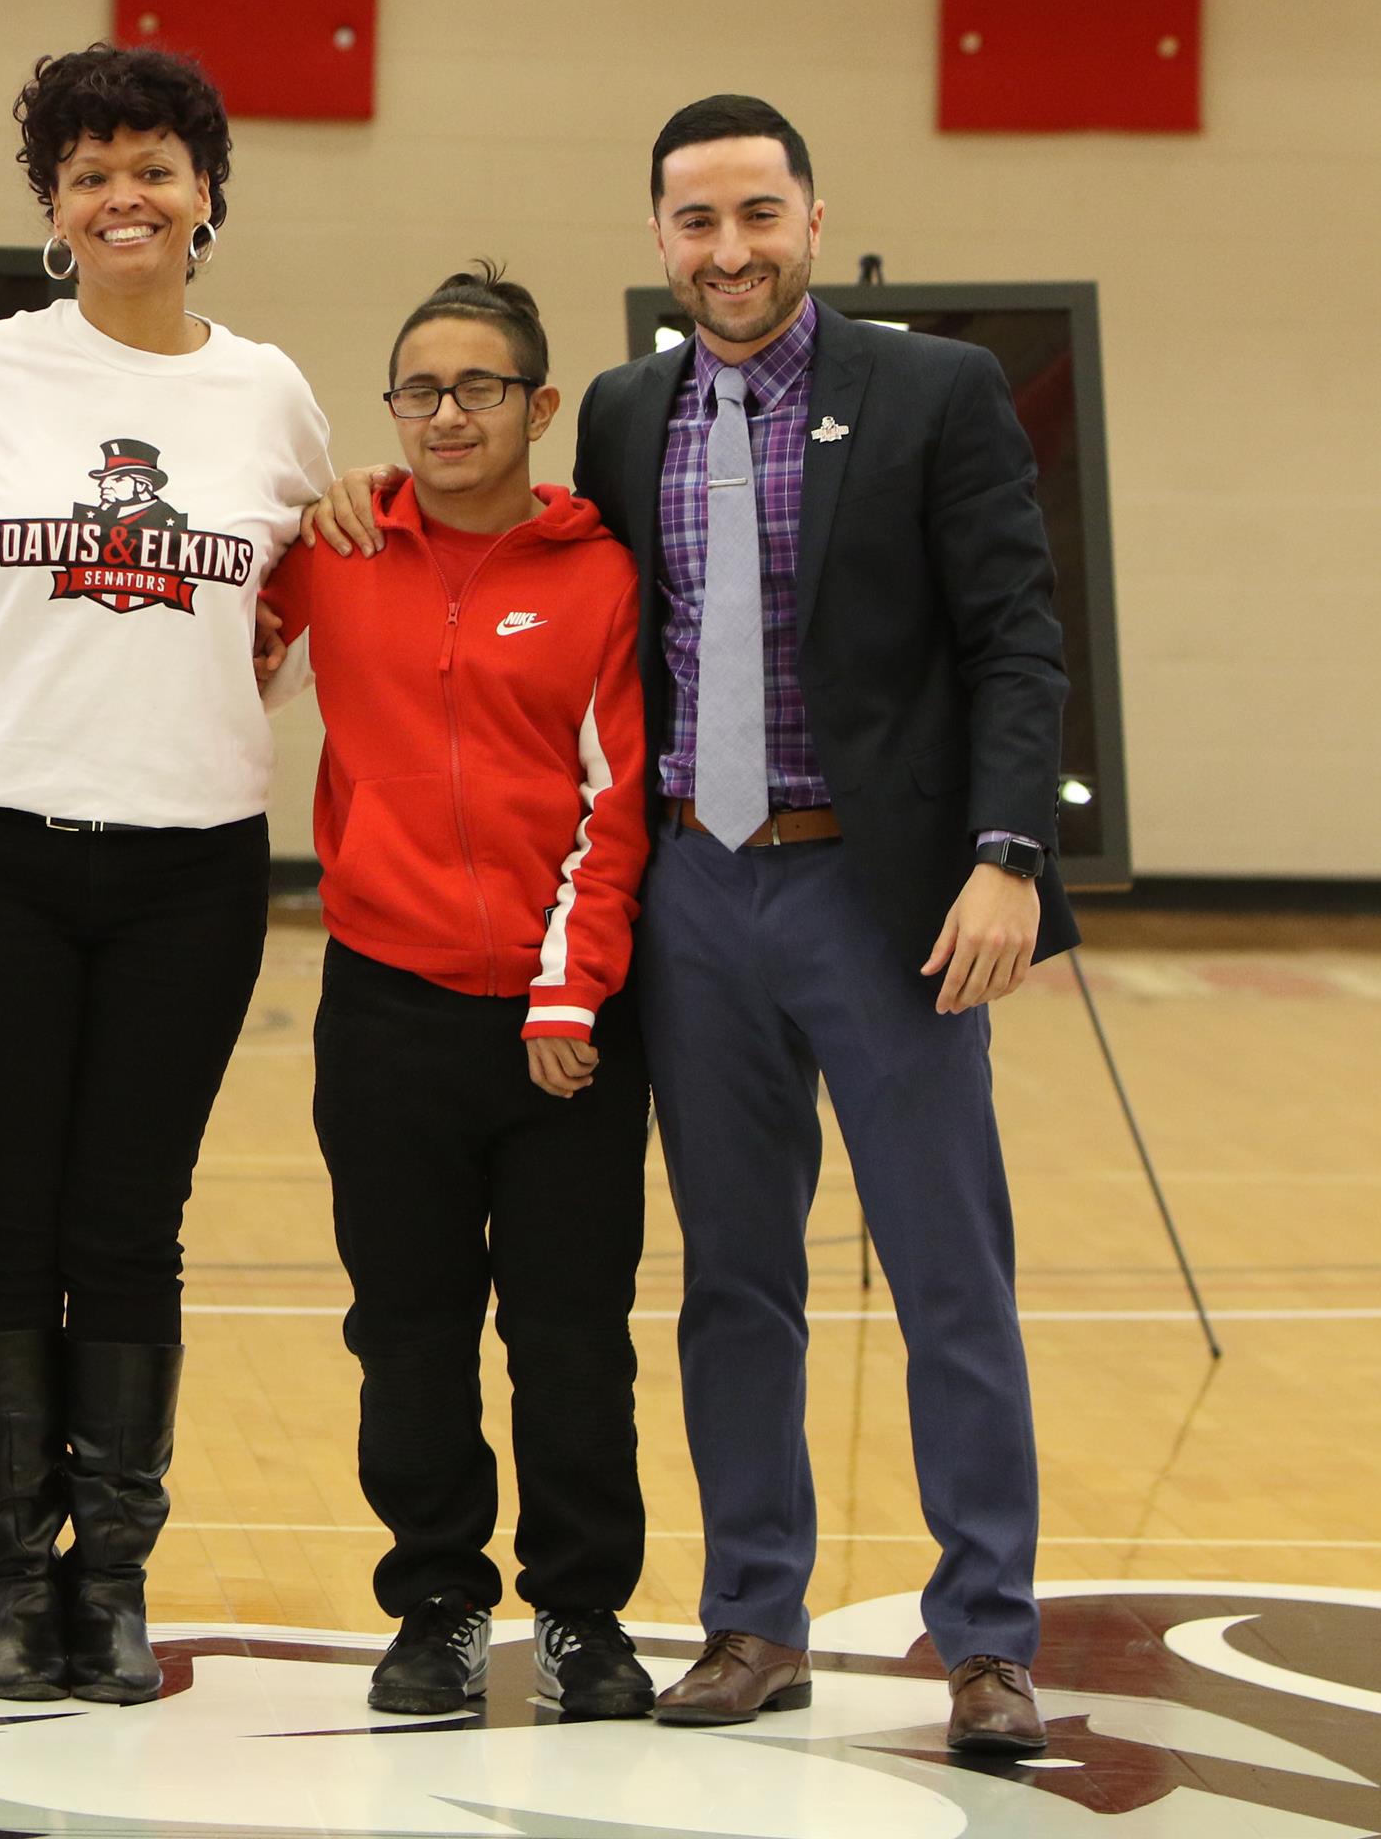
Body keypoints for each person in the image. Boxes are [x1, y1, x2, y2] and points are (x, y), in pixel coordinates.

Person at [314, 95, 1073, 1754]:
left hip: (884, 900)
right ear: (659, 240)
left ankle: (988, 1639)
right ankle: (752, 1619)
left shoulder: (933, 391)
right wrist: (370, 496)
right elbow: (528, 551)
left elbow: (1016, 634)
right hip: (694, 896)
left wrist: (1006, 854)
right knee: (734, 1277)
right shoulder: (621, 408)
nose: (727, 250)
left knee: (949, 1270)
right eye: (694, 222)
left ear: (809, 217)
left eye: (756, 216)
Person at [0, 44, 333, 1704]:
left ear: (206, 190)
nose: (123, 196)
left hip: (191, 862)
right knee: (7, 1218)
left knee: (134, 1225)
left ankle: (115, 1582)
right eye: (88, 174)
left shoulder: (271, 396)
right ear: (54, 211)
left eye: (152, 165)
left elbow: (298, 600)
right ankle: (16, 1581)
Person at [267, 267, 653, 1720]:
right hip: (386, 1013)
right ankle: (435, 1605)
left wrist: (567, 1000)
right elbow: (214, 638)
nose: (446, 414)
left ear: (541, 406)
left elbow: (616, 809)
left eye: (480, 388)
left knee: (569, 1334)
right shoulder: (337, 549)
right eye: (419, 390)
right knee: (407, 1329)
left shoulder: (601, 578)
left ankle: (579, 1617)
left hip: (564, 1035)